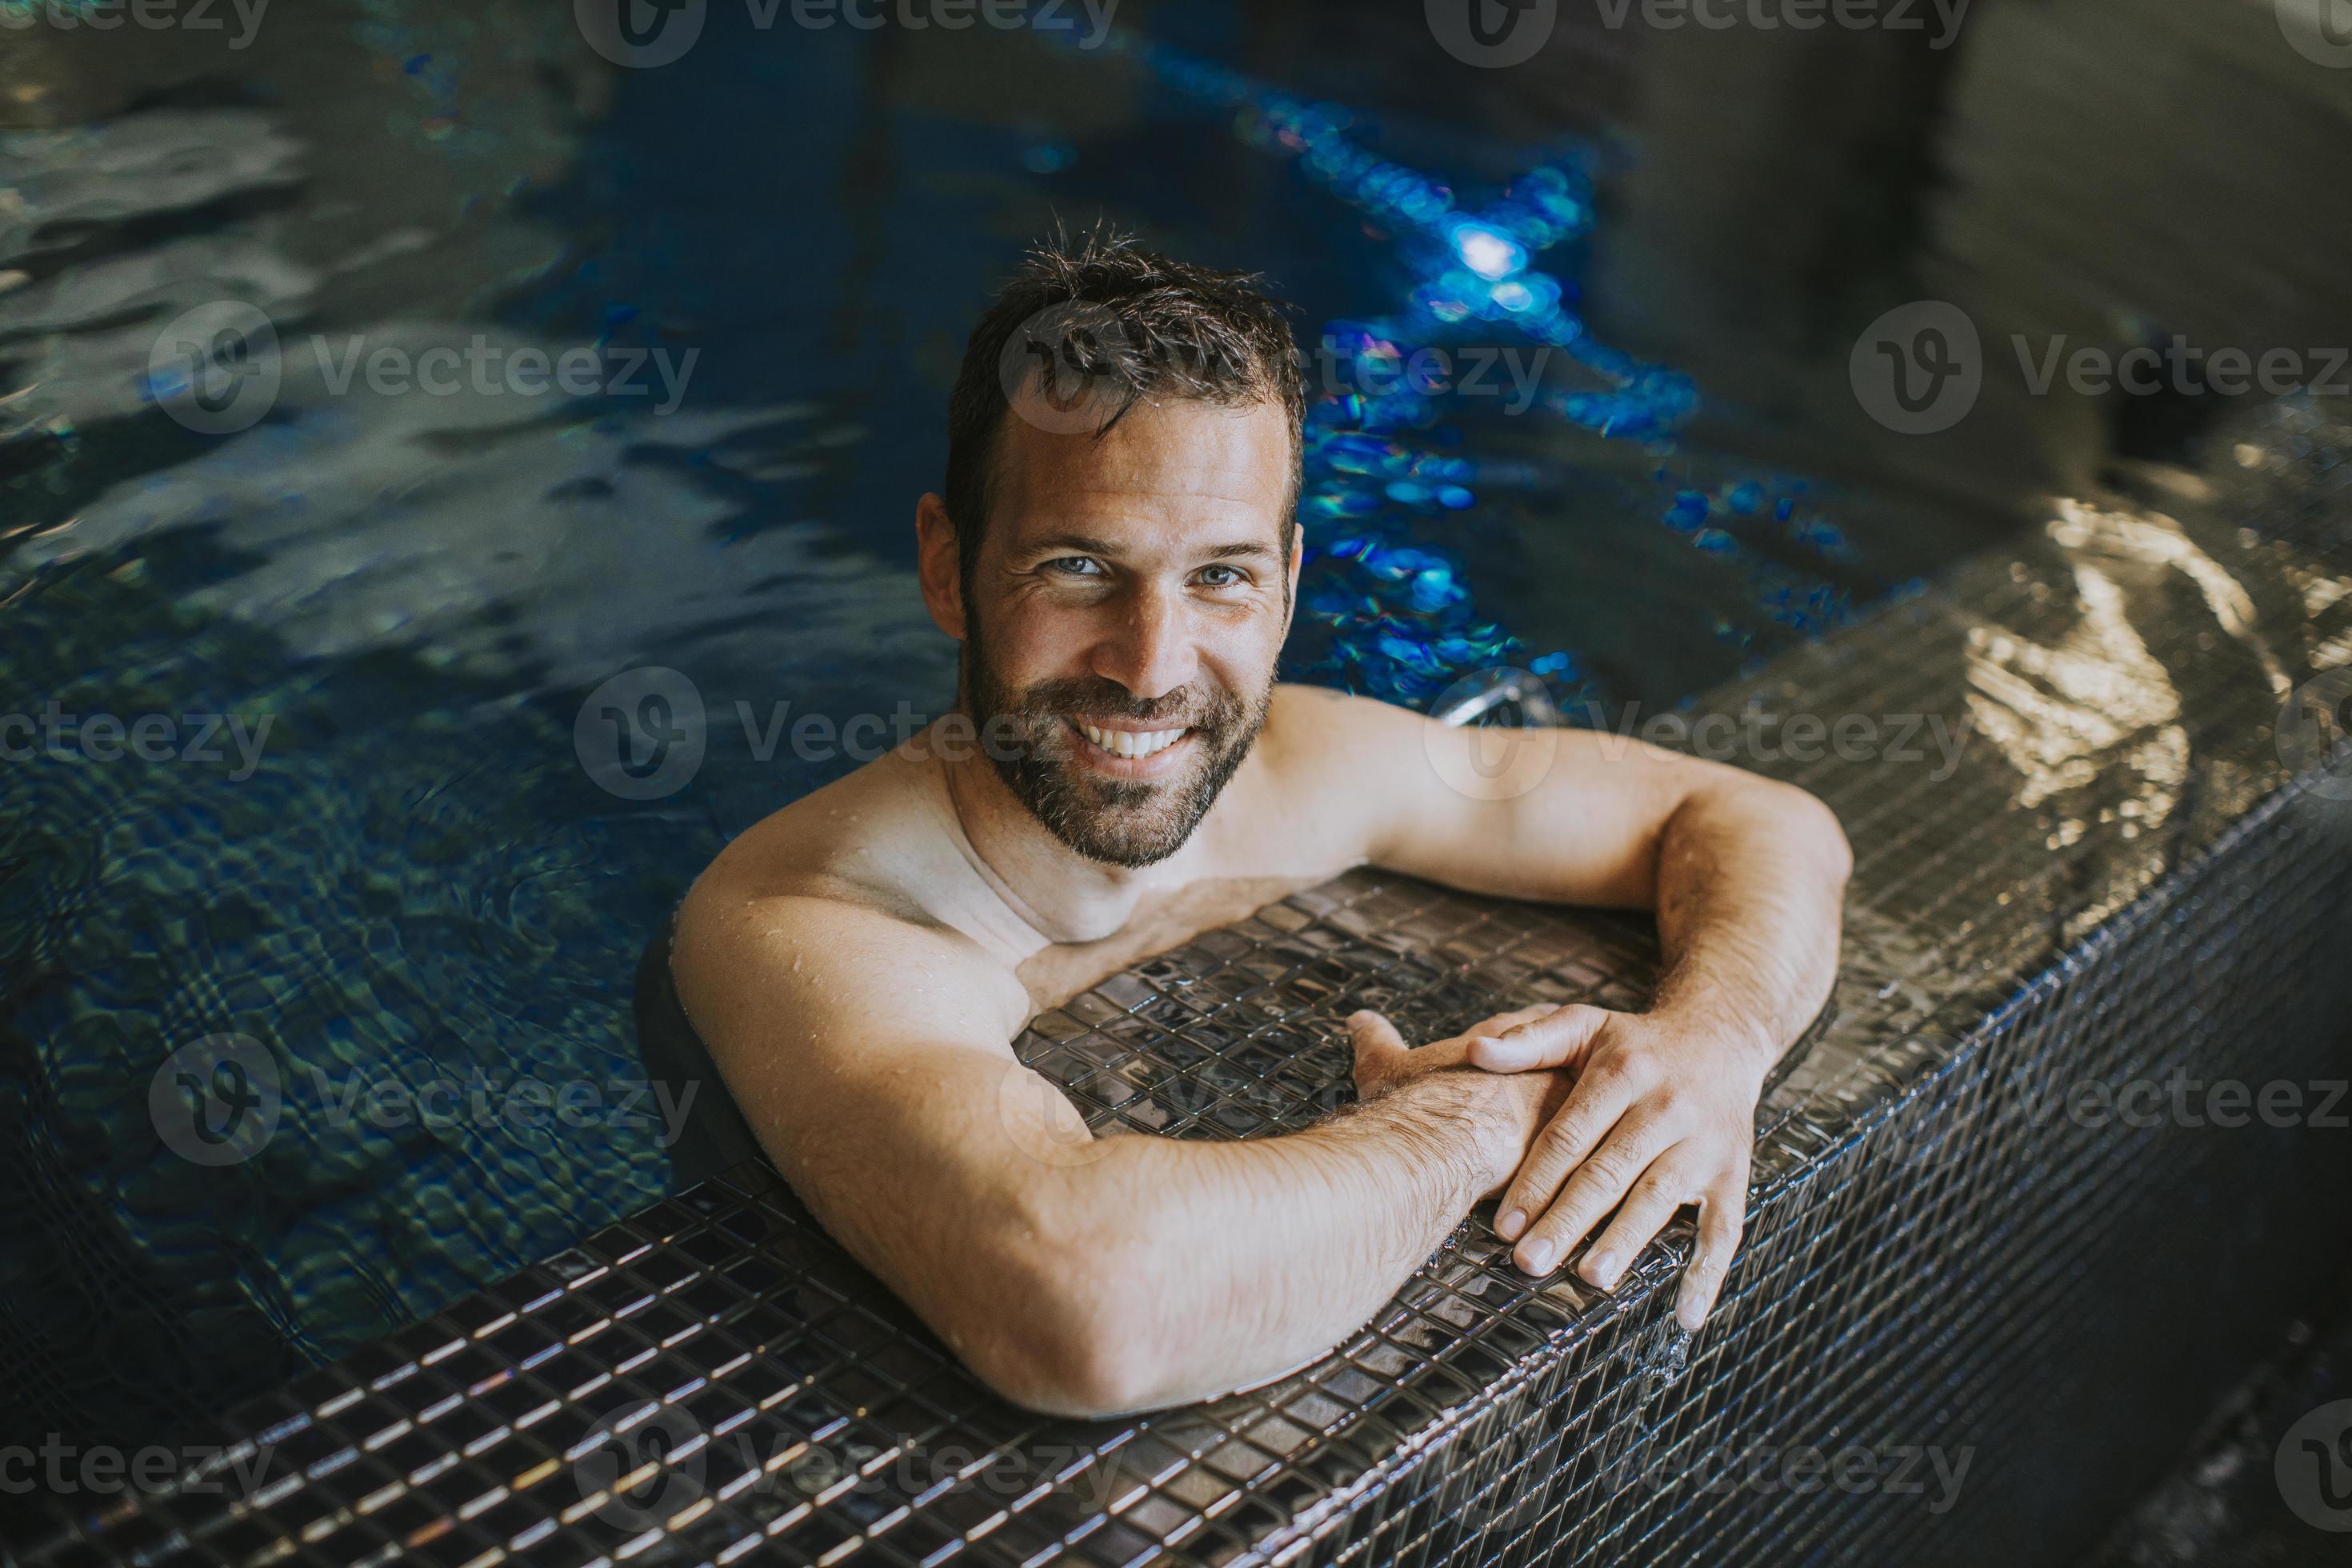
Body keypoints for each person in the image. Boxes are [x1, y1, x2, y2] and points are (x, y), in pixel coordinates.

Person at [663, 232, 1849, 1418]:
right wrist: (1481, 1122)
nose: (1151, 667)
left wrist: (1709, 1046)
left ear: (1286, 582)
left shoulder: (1306, 765)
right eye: (1078, 568)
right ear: (946, 567)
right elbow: (1087, 1303)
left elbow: (1750, 815)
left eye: (1219, 578)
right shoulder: (809, 916)